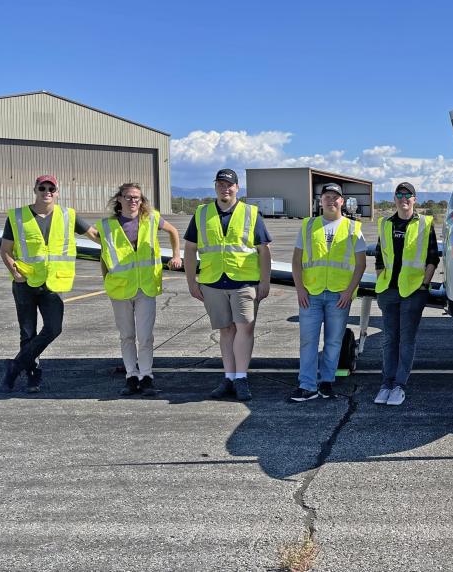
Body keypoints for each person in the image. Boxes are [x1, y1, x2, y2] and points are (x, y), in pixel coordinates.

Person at [183, 169, 272, 402]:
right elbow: (190, 249)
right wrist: (191, 281)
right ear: (215, 187)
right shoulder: (201, 213)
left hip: (244, 281)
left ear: (237, 188)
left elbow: (264, 250)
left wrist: (265, 281)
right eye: (221, 184)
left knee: (245, 328)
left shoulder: (251, 213)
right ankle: (229, 377)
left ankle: (241, 378)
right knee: (226, 330)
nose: (225, 188)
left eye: (229, 185)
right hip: (213, 282)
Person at [0, 174, 93, 393]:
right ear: (35, 190)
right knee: (27, 332)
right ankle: (32, 374)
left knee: (53, 328)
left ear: (57, 192)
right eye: (42, 188)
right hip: (25, 282)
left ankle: (14, 367)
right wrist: (15, 272)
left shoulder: (68, 215)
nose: (47, 192)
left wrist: (125, 232)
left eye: (51, 188)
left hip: (53, 283)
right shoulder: (18, 216)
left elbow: (95, 234)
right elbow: (5, 250)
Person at [91, 183, 182, 396]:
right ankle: (131, 376)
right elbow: (104, 256)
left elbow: (173, 231)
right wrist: (106, 280)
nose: (133, 201)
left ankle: (146, 376)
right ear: (119, 199)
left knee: (145, 336)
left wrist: (176, 255)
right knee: (127, 336)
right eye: (129, 197)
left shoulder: (151, 219)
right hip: (120, 288)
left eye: (137, 198)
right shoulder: (106, 226)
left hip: (146, 287)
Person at [290, 183, 367, 402]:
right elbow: (296, 261)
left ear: (342, 201)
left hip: (339, 296)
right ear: (320, 201)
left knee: (334, 342)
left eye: (335, 197)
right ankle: (307, 385)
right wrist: (300, 289)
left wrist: (349, 292)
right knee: (308, 341)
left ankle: (326, 382)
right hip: (311, 294)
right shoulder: (308, 225)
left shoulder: (353, 228)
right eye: (327, 196)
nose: (331, 200)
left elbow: (360, 264)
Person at [373, 182, 438, 406]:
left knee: (406, 339)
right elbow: (379, 256)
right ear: (394, 198)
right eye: (399, 194)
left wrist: (424, 285)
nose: (403, 198)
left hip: (413, 291)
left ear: (414, 199)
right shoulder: (385, 223)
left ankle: (399, 385)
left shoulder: (425, 223)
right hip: (388, 290)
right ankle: (386, 384)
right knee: (389, 338)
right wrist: (381, 279)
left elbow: (432, 258)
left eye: (408, 195)